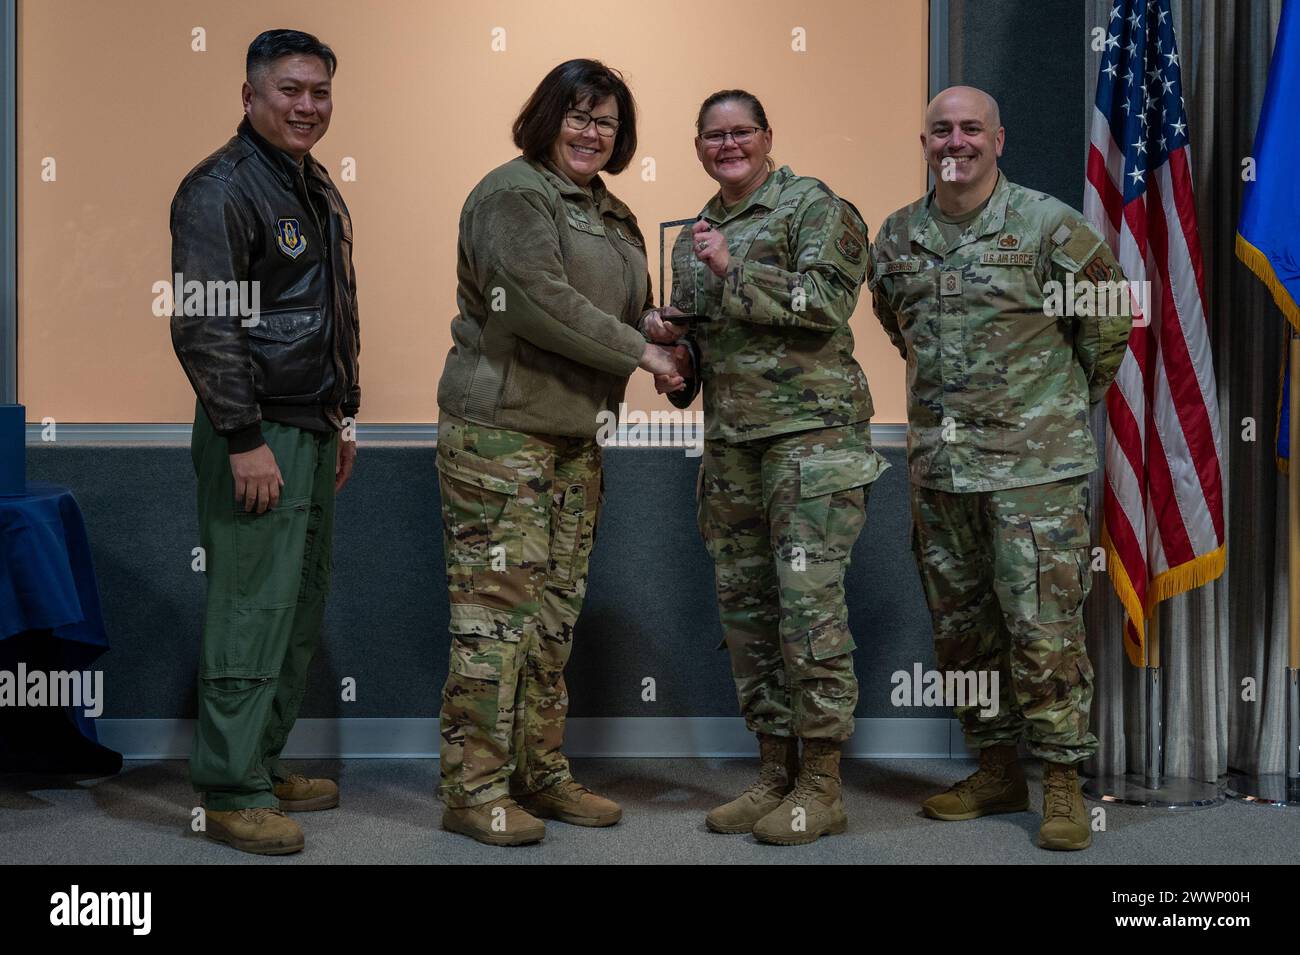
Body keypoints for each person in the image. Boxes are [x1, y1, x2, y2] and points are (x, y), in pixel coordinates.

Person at [866, 86, 1131, 851]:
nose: (956, 141)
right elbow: (899, 324)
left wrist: (1047, 408)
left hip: (1032, 474)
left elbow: (1106, 324)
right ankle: (993, 767)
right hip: (941, 475)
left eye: (971, 128)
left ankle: (1060, 782)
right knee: (963, 633)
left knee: (1043, 631)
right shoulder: (898, 238)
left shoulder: (1050, 227)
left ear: (998, 139)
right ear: (924, 143)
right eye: (941, 130)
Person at [435, 59, 681, 847]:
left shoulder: (610, 213)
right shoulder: (515, 194)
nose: (590, 132)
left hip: (575, 443)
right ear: (546, 119)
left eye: (605, 121)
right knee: (494, 619)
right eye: (576, 115)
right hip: (502, 437)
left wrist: (660, 328)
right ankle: (474, 787)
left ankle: (537, 770)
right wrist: (640, 354)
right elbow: (537, 301)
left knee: (550, 621)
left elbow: (620, 308)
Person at [647, 89, 887, 846]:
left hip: (812, 442)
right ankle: (774, 772)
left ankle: (822, 784)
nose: (728, 145)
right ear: (698, 147)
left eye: (740, 132)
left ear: (767, 137)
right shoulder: (696, 235)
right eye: (713, 136)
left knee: (809, 610)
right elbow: (701, 353)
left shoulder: (818, 208)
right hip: (733, 447)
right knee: (747, 612)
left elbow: (825, 303)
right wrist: (672, 357)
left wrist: (730, 270)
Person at [170, 29, 360, 855]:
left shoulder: (314, 186)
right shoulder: (219, 187)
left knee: (296, 608)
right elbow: (204, 323)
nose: (307, 105)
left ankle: (261, 761)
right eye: (290, 90)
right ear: (249, 95)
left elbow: (328, 318)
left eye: (319, 91)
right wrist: (244, 436)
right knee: (250, 608)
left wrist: (341, 414)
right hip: (254, 430)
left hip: (310, 426)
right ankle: (227, 787)